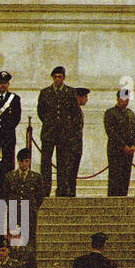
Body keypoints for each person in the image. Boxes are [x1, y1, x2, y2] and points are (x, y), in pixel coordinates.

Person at [2, 147, 47, 268]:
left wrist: (32, 208)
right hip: (14, 213)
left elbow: (40, 196)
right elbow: (5, 196)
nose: (24, 164)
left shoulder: (36, 177)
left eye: (26, 161)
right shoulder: (10, 177)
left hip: (29, 215)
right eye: (21, 161)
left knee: (30, 243)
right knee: (14, 243)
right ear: (18, 162)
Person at [37, 66, 78, 195]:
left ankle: (61, 189)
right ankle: (45, 189)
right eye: (55, 77)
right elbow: (41, 111)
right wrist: (50, 123)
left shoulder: (70, 92)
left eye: (60, 77)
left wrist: (67, 127)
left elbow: (74, 112)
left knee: (62, 163)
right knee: (46, 163)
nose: (57, 79)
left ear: (64, 78)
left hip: (64, 134)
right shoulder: (45, 92)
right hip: (49, 133)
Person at [103, 89, 135, 196]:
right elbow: (111, 132)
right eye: (123, 99)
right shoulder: (110, 113)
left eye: (127, 99)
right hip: (116, 151)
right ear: (118, 99)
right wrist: (123, 146)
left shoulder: (130, 114)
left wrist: (134, 145)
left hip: (129, 151)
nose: (126, 101)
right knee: (115, 178)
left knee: (125, 178)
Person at [62, 86, 90, 196]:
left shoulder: (77, 110)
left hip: (75, 146)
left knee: (72, 172)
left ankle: (70, 192)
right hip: (71, 147)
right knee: (69, 172)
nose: (86, 99)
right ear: (78, 97)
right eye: (85, 97)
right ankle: (68, 193)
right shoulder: (72, 111)